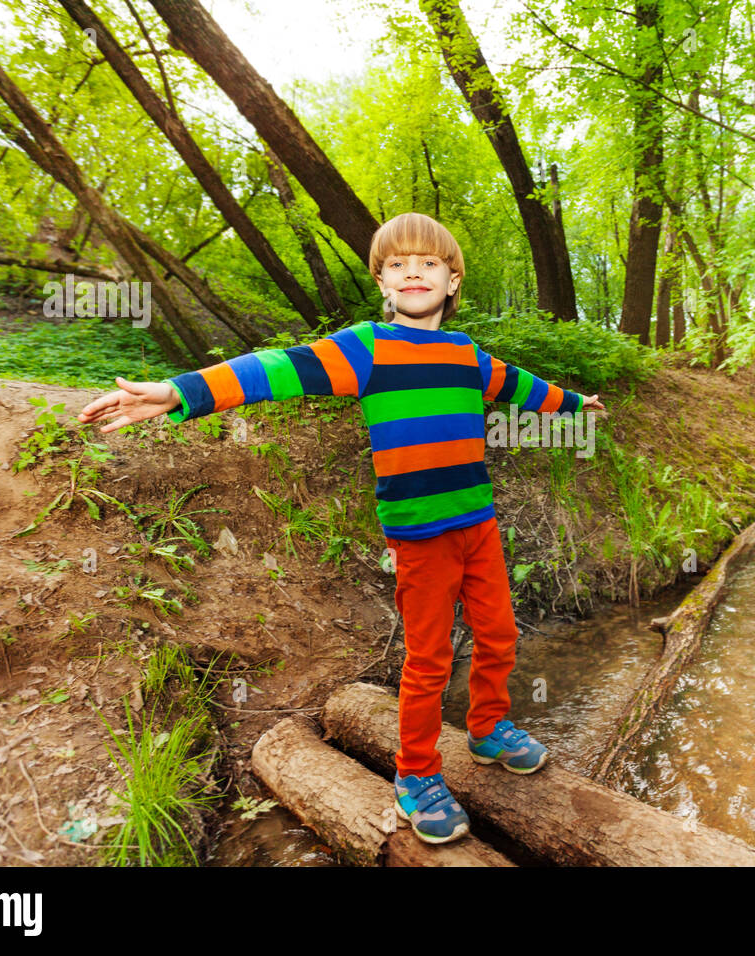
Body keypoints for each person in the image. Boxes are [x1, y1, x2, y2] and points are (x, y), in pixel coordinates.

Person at [77, 212, 605, 845]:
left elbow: (523, 388)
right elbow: (276, 369)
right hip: (420, 537)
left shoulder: (467, 355)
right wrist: (178, 391)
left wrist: (575, 404)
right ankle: (416, 774)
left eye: (429, 262)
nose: (414, 272)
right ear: (382, 282)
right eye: (398, 264)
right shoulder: (367, 348)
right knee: (432, 657)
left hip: (480, 525)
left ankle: (489, 729)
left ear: (453, 279)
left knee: (500, 634)